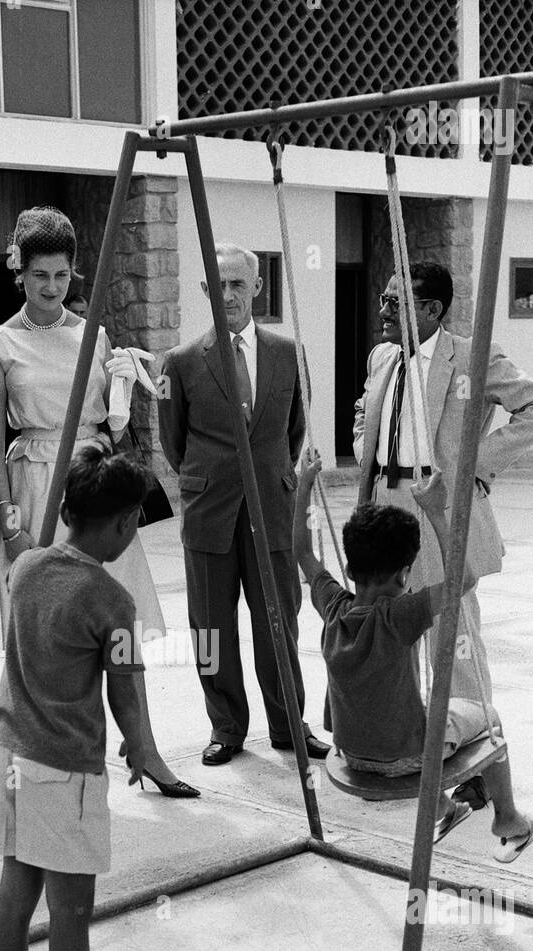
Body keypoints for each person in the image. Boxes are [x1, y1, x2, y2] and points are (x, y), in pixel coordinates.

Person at [0, 205, 198, 798]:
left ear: (75, 274)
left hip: (91, 487)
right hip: (33, 488)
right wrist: (10, 521)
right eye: (39, 275)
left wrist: (124, 407)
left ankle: (145, 747)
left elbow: (117, 428)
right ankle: (41, 759)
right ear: (18, 271)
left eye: (62, 276)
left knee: (118, 624)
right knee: (44, 633)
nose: (51, 288)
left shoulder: (94, 335)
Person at [354, 260, 533, 806]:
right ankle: (406, 742)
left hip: (438, 506)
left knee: (455, 634)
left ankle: (479, 763)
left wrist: (474, 465)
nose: (382, 312)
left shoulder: (472, 355)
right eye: (383, 299)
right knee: (392, 626)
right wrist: (362, 441)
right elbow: (367, 415)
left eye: (395, 303)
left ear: (431, 310)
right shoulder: (382, 357)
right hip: (385, 504)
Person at [0, 445, 151, 951]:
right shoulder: (112, 601)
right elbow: (126, 692)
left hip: (10, 754)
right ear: (126, 523)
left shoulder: (25, 567)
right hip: (65, 767)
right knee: (70, 911)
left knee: (14, 893)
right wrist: (145, 750)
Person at [294, 460, 533, 858]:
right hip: (403, 758)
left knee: (416, 714)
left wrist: (304, 485)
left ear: (351, 568)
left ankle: (445, 809)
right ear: (405, 576)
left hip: (349, 752)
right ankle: (507, 819)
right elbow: (464, 579)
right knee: (488, 718)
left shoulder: (333, 606)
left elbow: (302, 551)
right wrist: (436, 512)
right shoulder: (399, 617)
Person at [158, 242, 330, 768]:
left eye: (239, 284)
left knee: (278, 619)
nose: (229, 294)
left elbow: (293, 430)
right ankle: (226, 728)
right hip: (210, 511)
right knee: (211, 626)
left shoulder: (286, 353)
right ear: (206, 289)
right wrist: (213, 478)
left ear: (257, 287)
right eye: (219, 284)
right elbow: (173, 441)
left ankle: (287, 726)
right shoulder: (182, 362)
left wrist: (267, 476)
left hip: (272, 511)